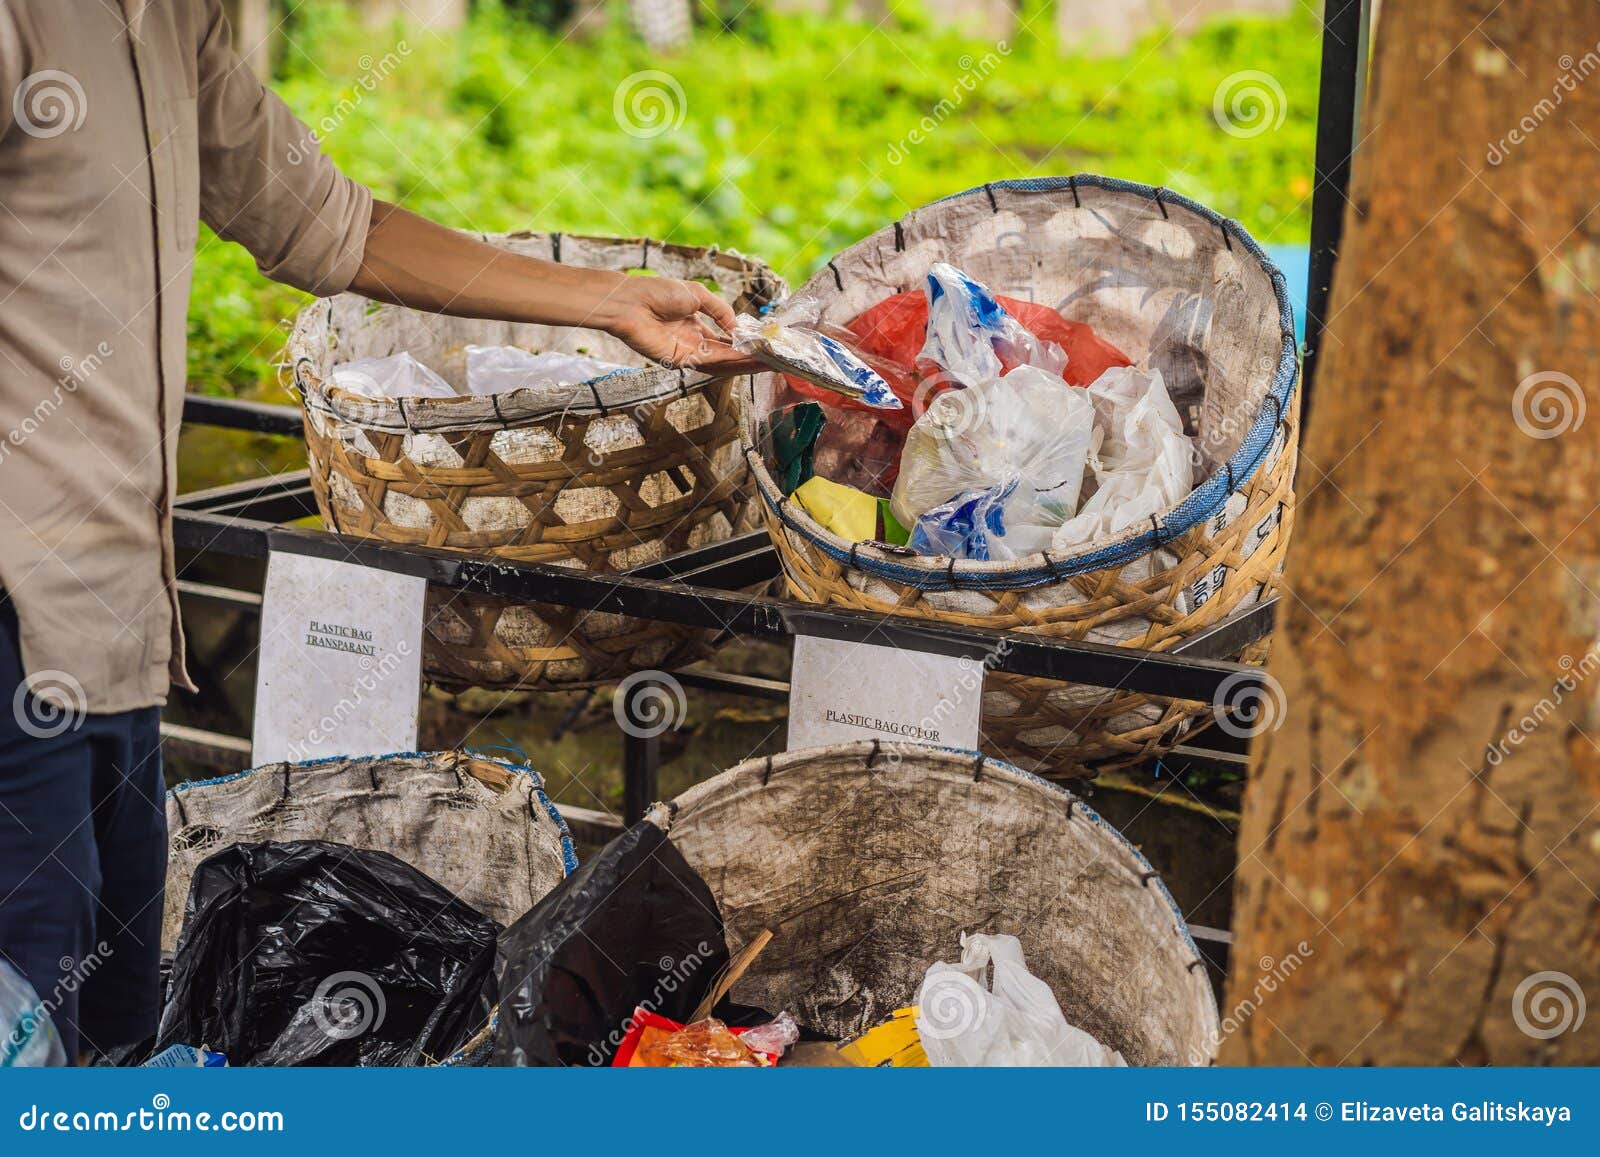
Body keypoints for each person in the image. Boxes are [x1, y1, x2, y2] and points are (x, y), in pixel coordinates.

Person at [0, 0, 747, 1062]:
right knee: (30, 1030)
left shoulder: (170, 25)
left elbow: (327, 221)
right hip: (11, 626)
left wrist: (607, 302)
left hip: (112, 628)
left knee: (113, 1031)